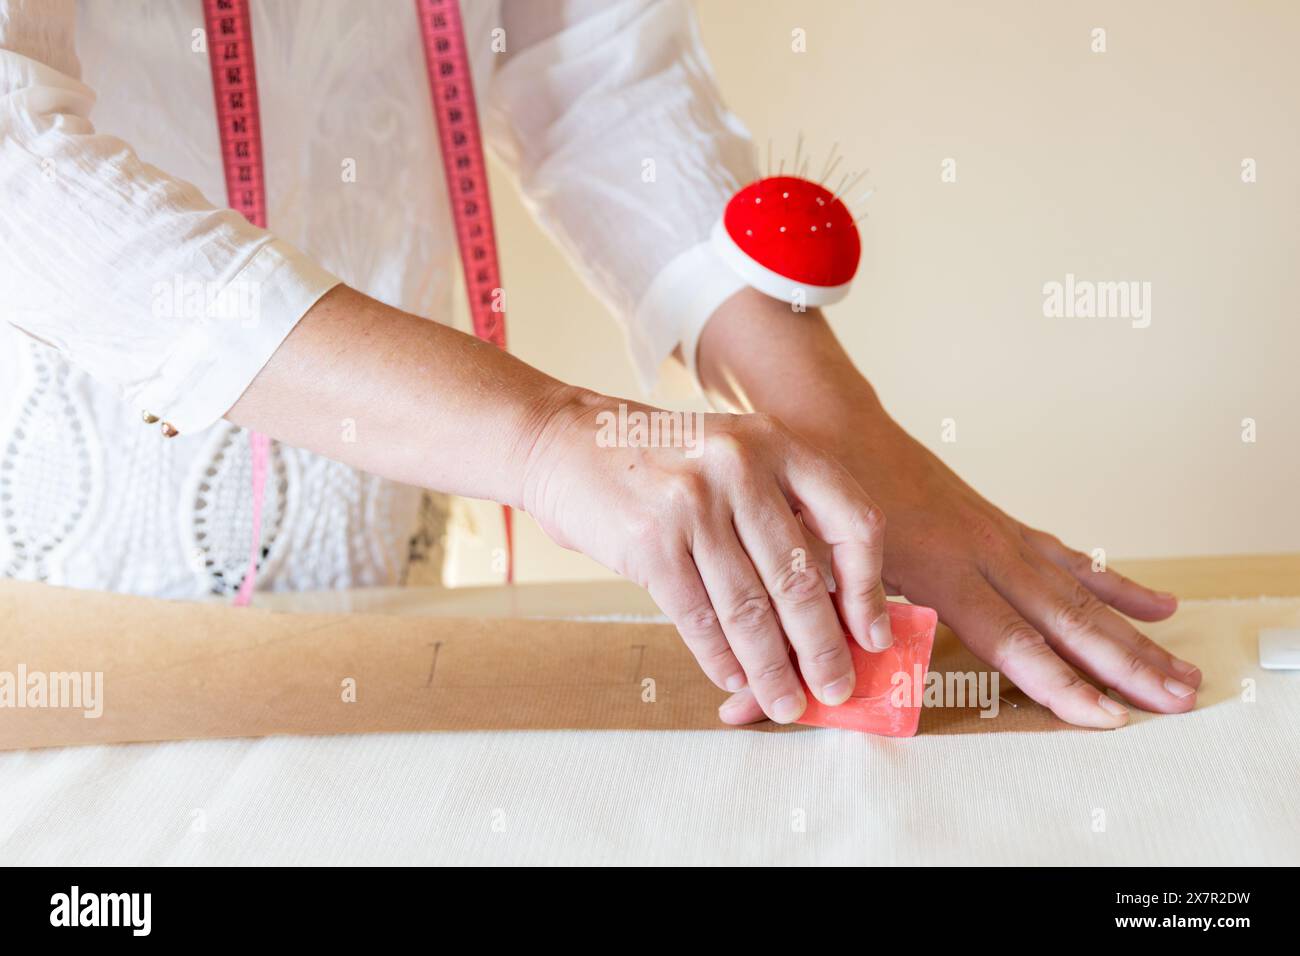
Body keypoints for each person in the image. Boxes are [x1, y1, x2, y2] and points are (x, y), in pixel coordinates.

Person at [0, 0, 1199, 730]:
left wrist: (852, 448)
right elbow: (18, 165)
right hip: (46, 593)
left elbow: (587, 67)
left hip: (370, 554)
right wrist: (542, 435)